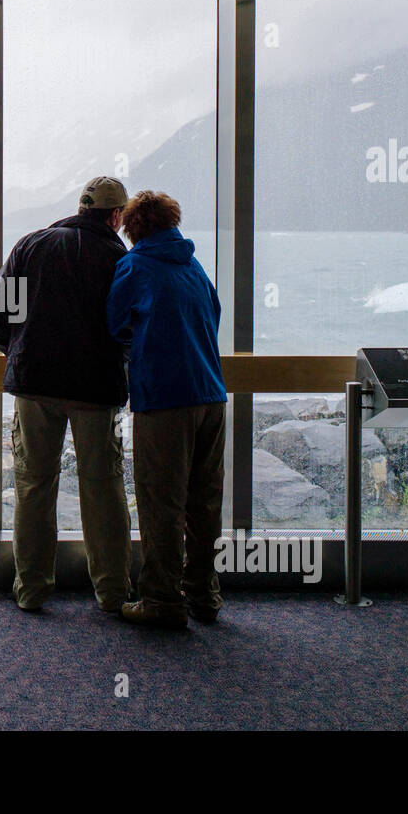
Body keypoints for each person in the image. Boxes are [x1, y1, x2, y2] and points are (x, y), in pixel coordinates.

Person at [0, 176, 133, 613]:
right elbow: (127, 324)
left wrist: (16, 352)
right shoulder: (116, 255)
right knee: (103, 488)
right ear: (116, 216)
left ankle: (31, 589)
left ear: (81, 207)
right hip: (95, 389)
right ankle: (112, 592)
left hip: (34, 385)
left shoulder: (31, 243)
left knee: (34, 485)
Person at [106, 190, 228, 629]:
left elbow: (114, 323)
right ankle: (203, 593)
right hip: (212, 396)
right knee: (204, 503)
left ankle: (160, 598)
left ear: (133, 227)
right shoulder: (194, 266)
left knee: (162, 502)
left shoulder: (135, 265)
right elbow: (213, 315)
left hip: (164, 400)